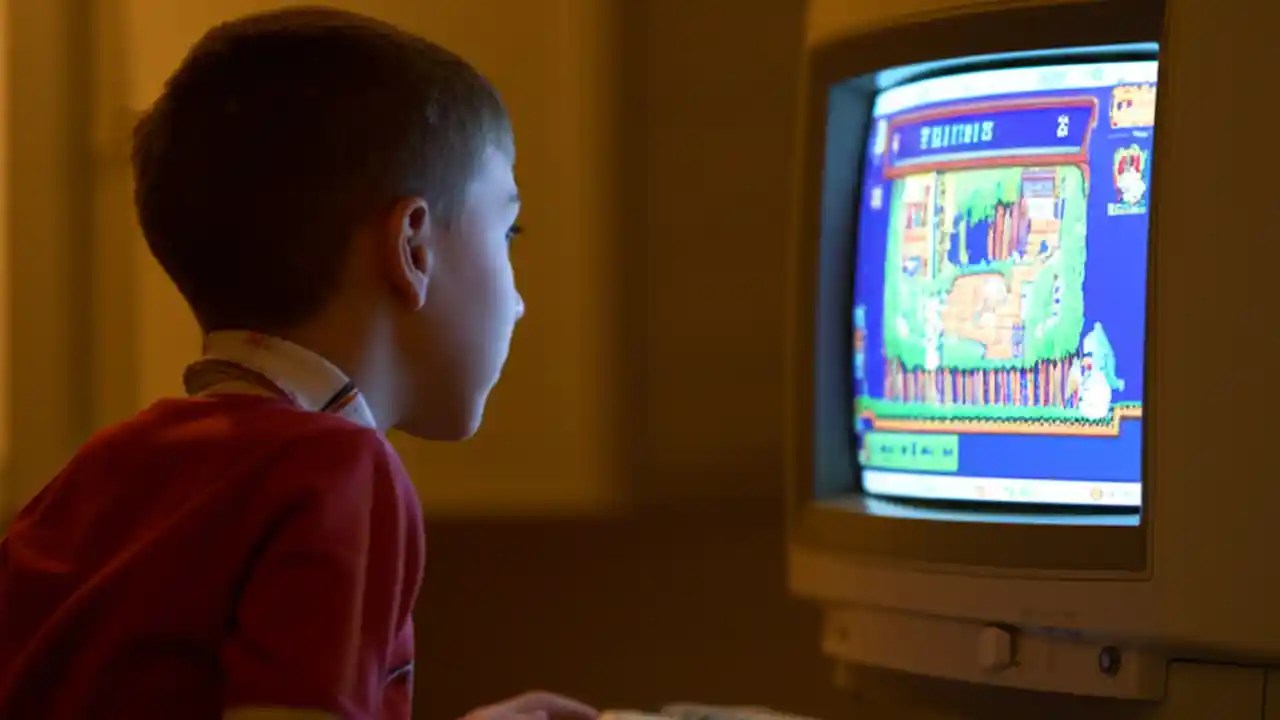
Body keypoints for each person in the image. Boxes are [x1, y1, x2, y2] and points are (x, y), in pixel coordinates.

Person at [0, 8, 595, 720]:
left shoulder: (106, 467)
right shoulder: (340, 473)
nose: (521, 304)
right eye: (509, 229)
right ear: (414, 248)